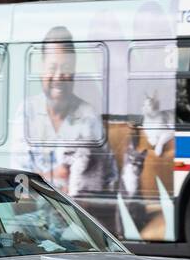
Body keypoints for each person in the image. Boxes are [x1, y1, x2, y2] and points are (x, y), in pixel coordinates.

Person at [17, 26, 117, 199]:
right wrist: (58, 175)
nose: (58, 76)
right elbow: (16, 181)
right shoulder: (27, 111)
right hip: (32, 218)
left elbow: (110, 178)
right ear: (41, 69)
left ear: (74, 72)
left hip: (76, 216)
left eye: (66, 68)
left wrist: (43, 179)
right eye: (52, 67)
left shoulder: (88, 115)